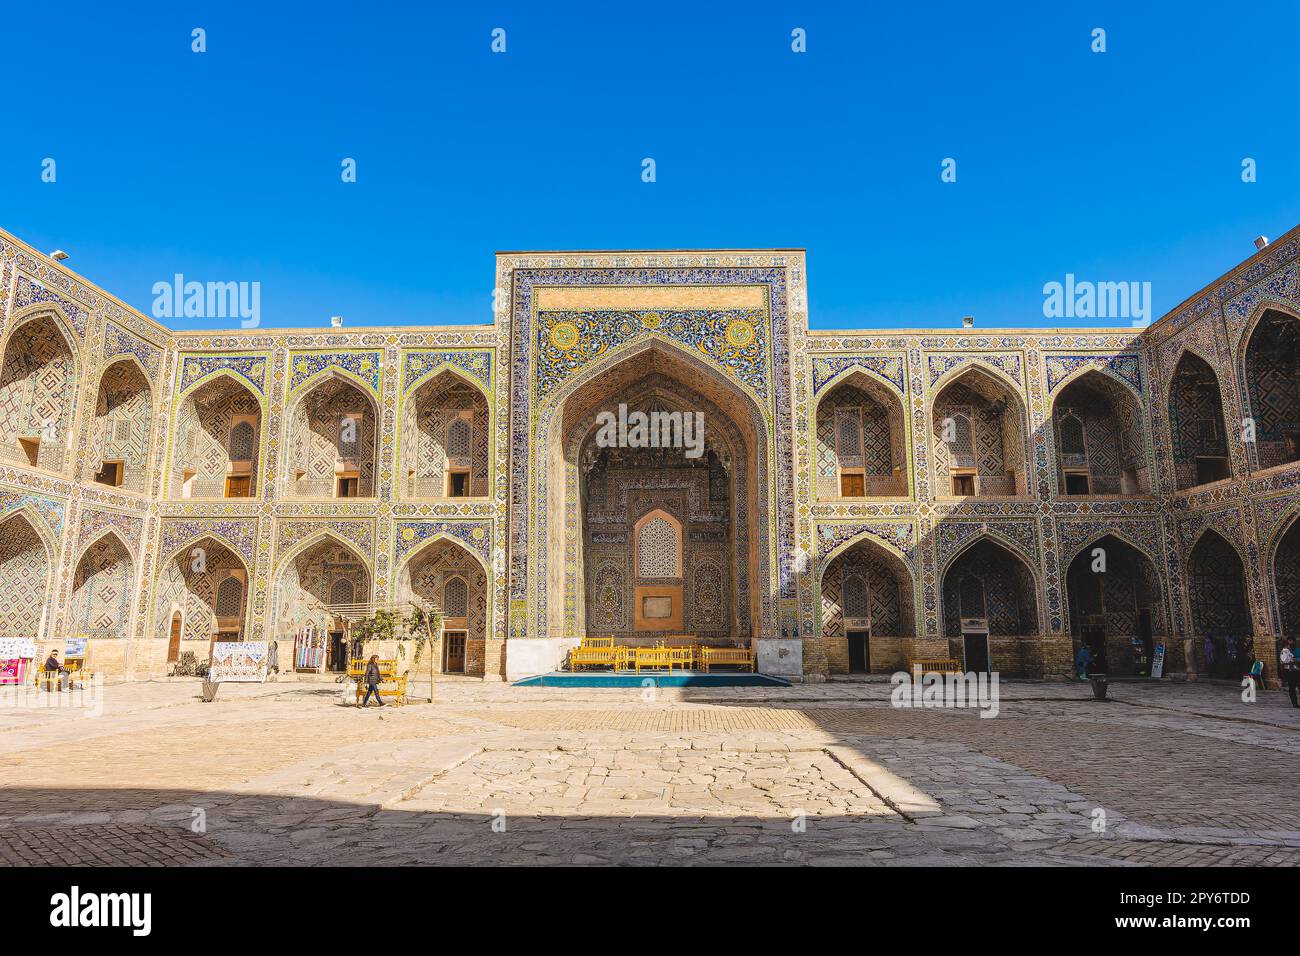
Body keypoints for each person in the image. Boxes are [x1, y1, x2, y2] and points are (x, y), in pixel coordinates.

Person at [1280, 638, 1299, 709]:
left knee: (1292, 687)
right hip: (1290, 671)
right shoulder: (1285, 651)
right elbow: (1285, 661)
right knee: (1292, 687)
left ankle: (1295, 703)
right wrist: (1293, 661)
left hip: (1293, 670)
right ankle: (1294, 703)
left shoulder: (1287, 651)